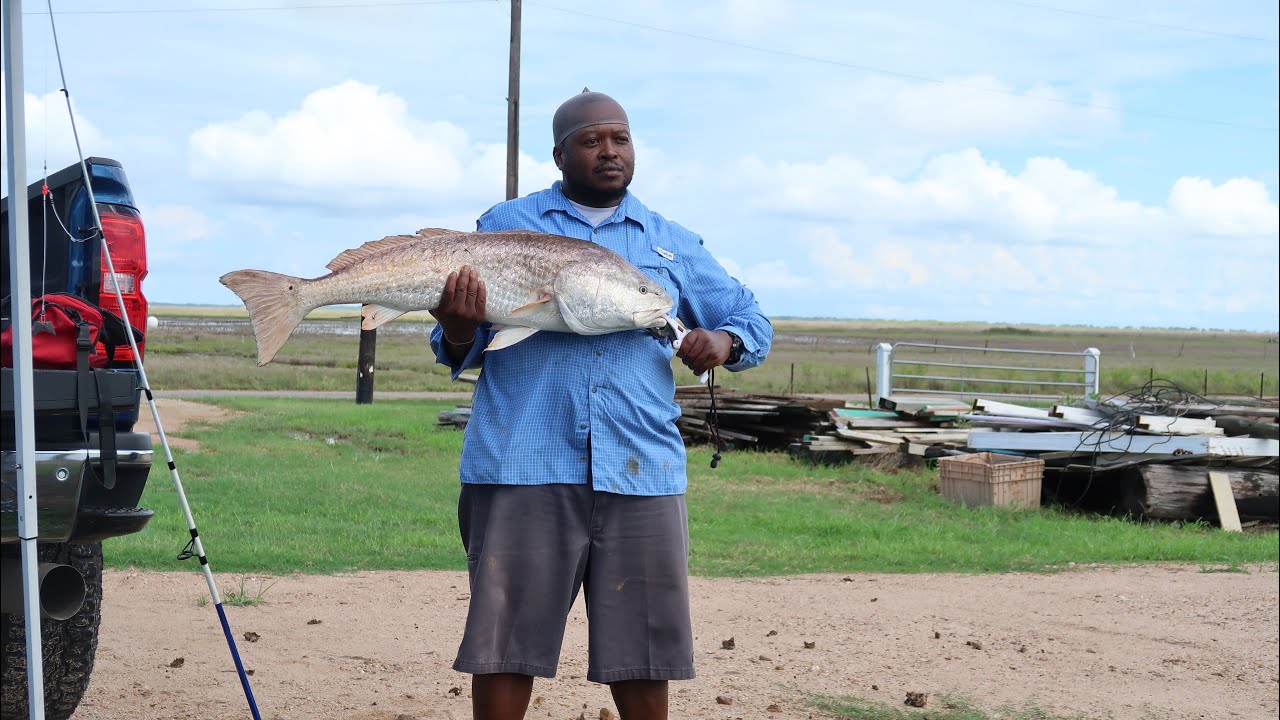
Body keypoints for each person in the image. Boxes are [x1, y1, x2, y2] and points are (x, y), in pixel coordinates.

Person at [428, 89, 773, 720]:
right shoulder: (508, 225)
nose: (608, 152)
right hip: (521, 462)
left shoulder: (669, 242)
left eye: (620, 139)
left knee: (646, 649)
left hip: (641, 467)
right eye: (591, 141)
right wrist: (455, 328)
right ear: (559, 154)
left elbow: (751, 319)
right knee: (504, 646)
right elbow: (455, 343)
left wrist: (723, 340)